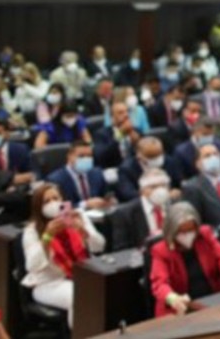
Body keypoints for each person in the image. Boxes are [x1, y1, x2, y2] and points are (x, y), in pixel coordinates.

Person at [21, 183, 106, 327]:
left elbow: (99, 246)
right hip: (49, 283)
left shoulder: (76, 215)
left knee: (105, 289)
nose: (53, 203)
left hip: (84, 275)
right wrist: (47, 236)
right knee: (80, 295)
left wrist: (83, 230)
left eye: (56, 198)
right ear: (38, 207)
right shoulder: (32, 230)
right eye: (46, 201)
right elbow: (32, 266)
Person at [150, 202, 220, 316]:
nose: (187, 235)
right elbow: (159, 283)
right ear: (172, 230)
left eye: (191, 230)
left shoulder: (205, 234)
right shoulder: (161, 250)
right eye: (182, 231)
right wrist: (173, 298)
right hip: (183, 307)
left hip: (213, 299)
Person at [181, 144, 220, 227]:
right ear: (198, 163)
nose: (213, 158)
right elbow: (195, 220)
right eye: (207, 156)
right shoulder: (192, 187)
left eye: (216, 154)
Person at [110, 168, 172, 251]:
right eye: (153, 187)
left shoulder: (176, 206)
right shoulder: (125, 214)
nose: (160, 190)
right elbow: (122, 249)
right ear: (142, 190)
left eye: (163, 186)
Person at [115, 136, 182, 202]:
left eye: (158, 156)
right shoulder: (127, 169)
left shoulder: (169, 161)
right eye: (151, 158)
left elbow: (178, 183)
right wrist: (146, 195)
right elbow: (127, 193)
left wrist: (175, 191)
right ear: (139, 156)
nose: (156, 160)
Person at [48, 140, 111, 209]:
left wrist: (108, 201)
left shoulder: (97, 173)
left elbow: (106, 195)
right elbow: (59, 207)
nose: (86, 159)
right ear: (69, 156)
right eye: (81, 156)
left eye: (89, 156)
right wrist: (85, 204)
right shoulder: (56, 180)